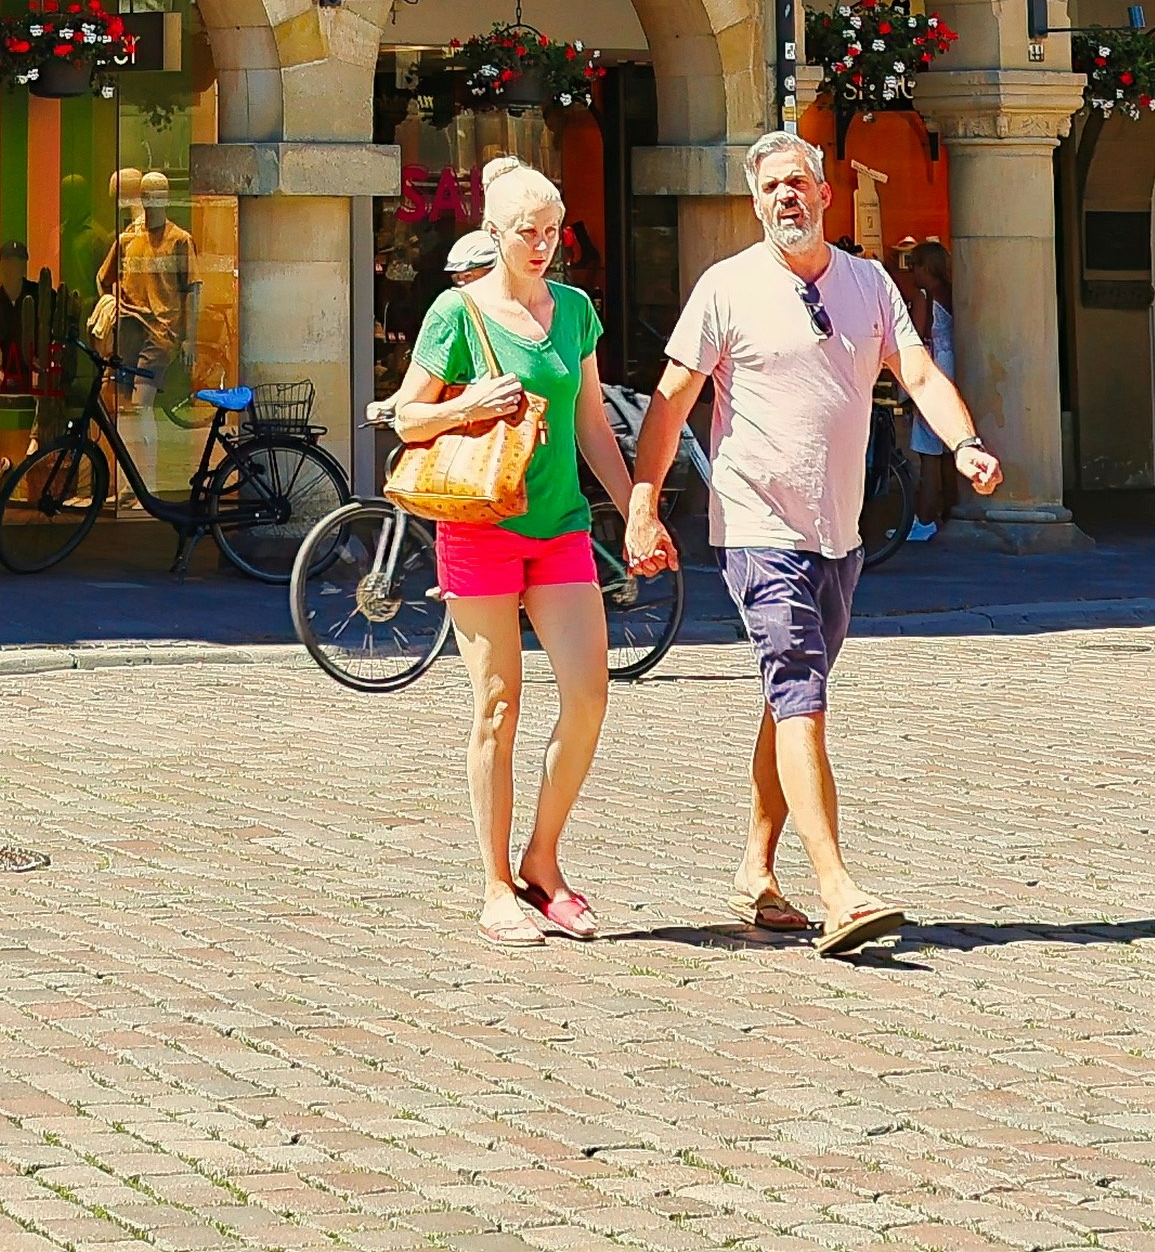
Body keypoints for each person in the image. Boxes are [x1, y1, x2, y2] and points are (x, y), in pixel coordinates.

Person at [624, 126, 997, 960]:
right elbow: (671, 398)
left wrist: (964, 441)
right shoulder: (726, 287)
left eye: (797, 182)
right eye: (769, 188)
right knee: (801, 693)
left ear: (826, 193)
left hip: (839, 529)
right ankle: (838, 889)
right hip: (759, 525)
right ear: (756, 202)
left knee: (789, 694)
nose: (785, 197)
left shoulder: (869, 284)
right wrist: (643, 502)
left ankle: (756, 870)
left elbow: (920, 373)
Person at [382, 159, 644, 943]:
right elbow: (403, 418)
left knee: (589, 696)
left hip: (561, 523)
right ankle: (495, 883)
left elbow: (593, 423)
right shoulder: (454, 312)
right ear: (493, 231)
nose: (542, 244)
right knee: (498, 704)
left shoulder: (574, 311)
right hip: (480, 526)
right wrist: (467, 400)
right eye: (525, 230)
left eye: (551, 229)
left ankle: (543, 860)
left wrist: (636, 510)